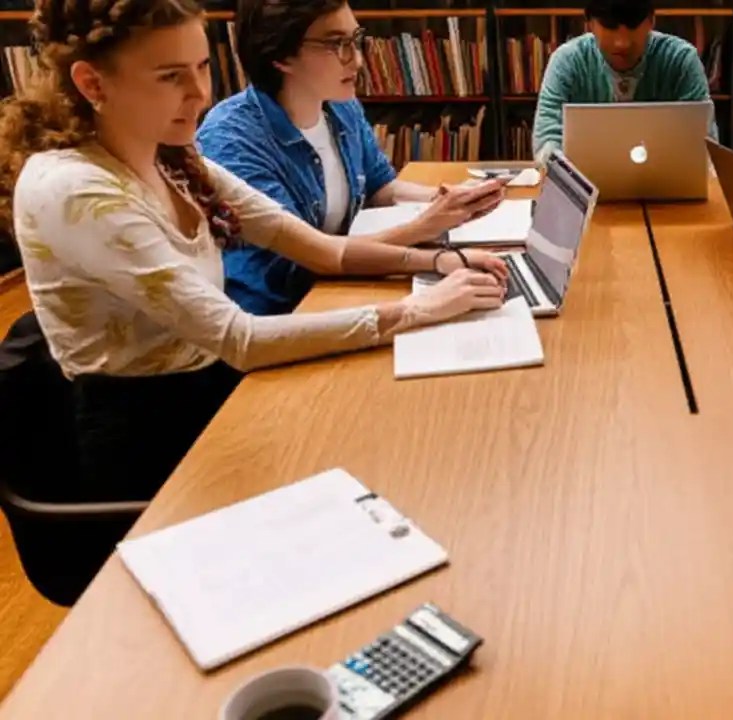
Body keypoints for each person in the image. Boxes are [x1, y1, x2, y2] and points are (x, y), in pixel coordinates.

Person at [0, 0, 510, 500]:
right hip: (149, 442)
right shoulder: (77, 190)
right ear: (92, 84)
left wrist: (443, 261)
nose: (200, 93)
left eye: (202, 67)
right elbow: (239, 338)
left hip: (212, 391)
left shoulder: (170, 153)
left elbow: (322, 252)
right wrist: (417, 310)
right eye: (170, 76)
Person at [198, 0, 505, 316]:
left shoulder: (340, 106)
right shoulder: (231, 141)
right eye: (336, 44)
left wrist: (446, 199)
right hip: (284, 311)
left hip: (341, 287)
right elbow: (307, 259)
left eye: (355, 40)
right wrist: (420, 229)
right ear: (281, 56)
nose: (357, 60)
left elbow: (380, 186)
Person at [532, 0, 717, 162]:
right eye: (610, 27)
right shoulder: (566, 61)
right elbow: (546, 142)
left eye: (633, 26)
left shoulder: (681, 60)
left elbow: (705, 144)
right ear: (589, 25)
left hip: (670, 192)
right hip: (587, 194)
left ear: (651, 21)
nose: (622, 42)